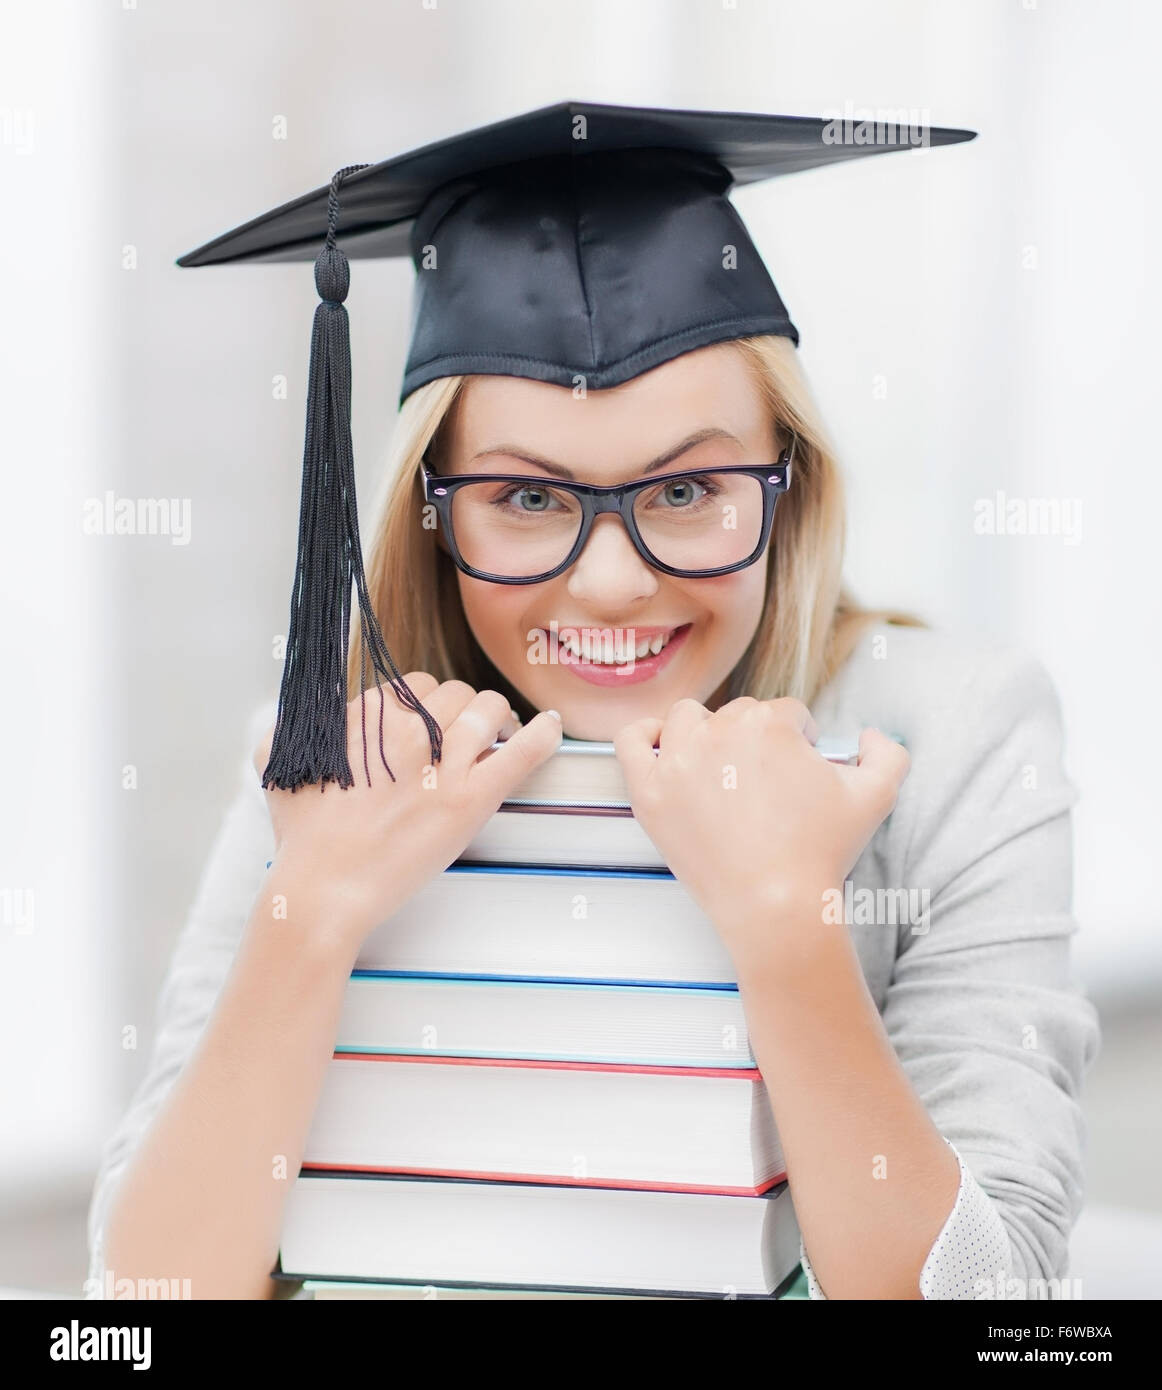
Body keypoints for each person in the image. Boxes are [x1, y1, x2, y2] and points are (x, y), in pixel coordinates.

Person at [86, 102, 1100, 1300]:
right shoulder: (332, 751)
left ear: (790, 483)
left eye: (686, 491)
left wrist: (787, 926)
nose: (612, 582)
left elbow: (996, 1312)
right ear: (433, 513)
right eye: (526, 499)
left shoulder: (954, 727)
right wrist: (311, 907)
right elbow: (141, 1307)